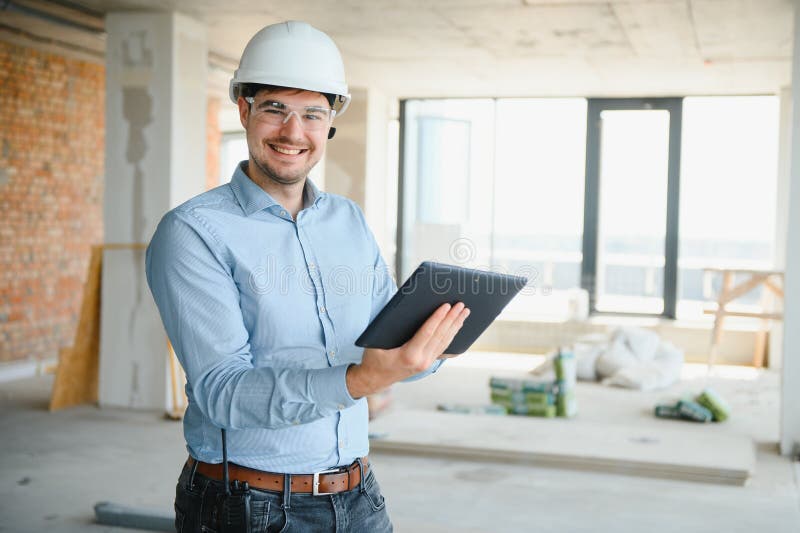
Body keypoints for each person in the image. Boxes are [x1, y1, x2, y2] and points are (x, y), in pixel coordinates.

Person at [145, 20, 470, 533]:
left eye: (312, 115)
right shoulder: (193, 232)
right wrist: (365, 379)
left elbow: (387, 343)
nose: (294, 133)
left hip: (358, 495)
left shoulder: (349, 221)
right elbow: (223, 391)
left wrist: (430, 349)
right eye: (276, 108)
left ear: (329, 124)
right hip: (248, 505)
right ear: (244, 109)